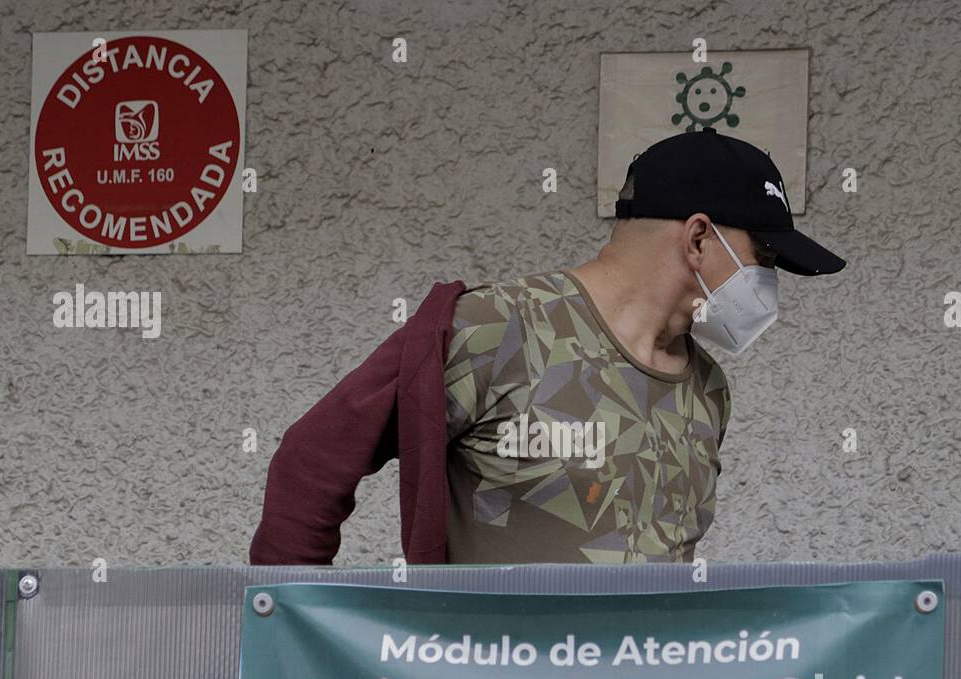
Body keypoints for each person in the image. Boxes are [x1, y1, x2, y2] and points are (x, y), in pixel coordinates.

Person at [248, 128, 845, 566]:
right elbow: (314, 462)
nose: (766, 279)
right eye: (763, 256)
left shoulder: (708, 388)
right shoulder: (495, 328)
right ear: (697, 238)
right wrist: (301, 642)